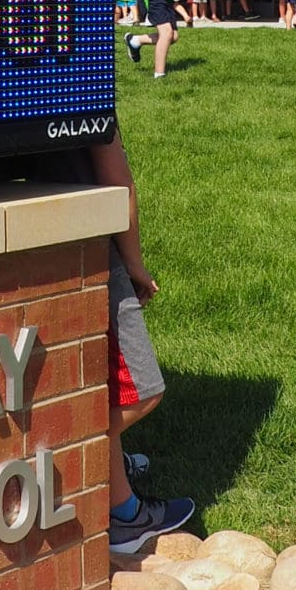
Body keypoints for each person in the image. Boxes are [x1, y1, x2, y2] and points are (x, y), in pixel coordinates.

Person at [88, 133, 197, 559]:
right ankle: (117, 508)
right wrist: (134, 262)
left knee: (101, 386)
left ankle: (113, 482)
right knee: (141, 391)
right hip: (91, 237)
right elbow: (117, 175)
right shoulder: (87, 90)